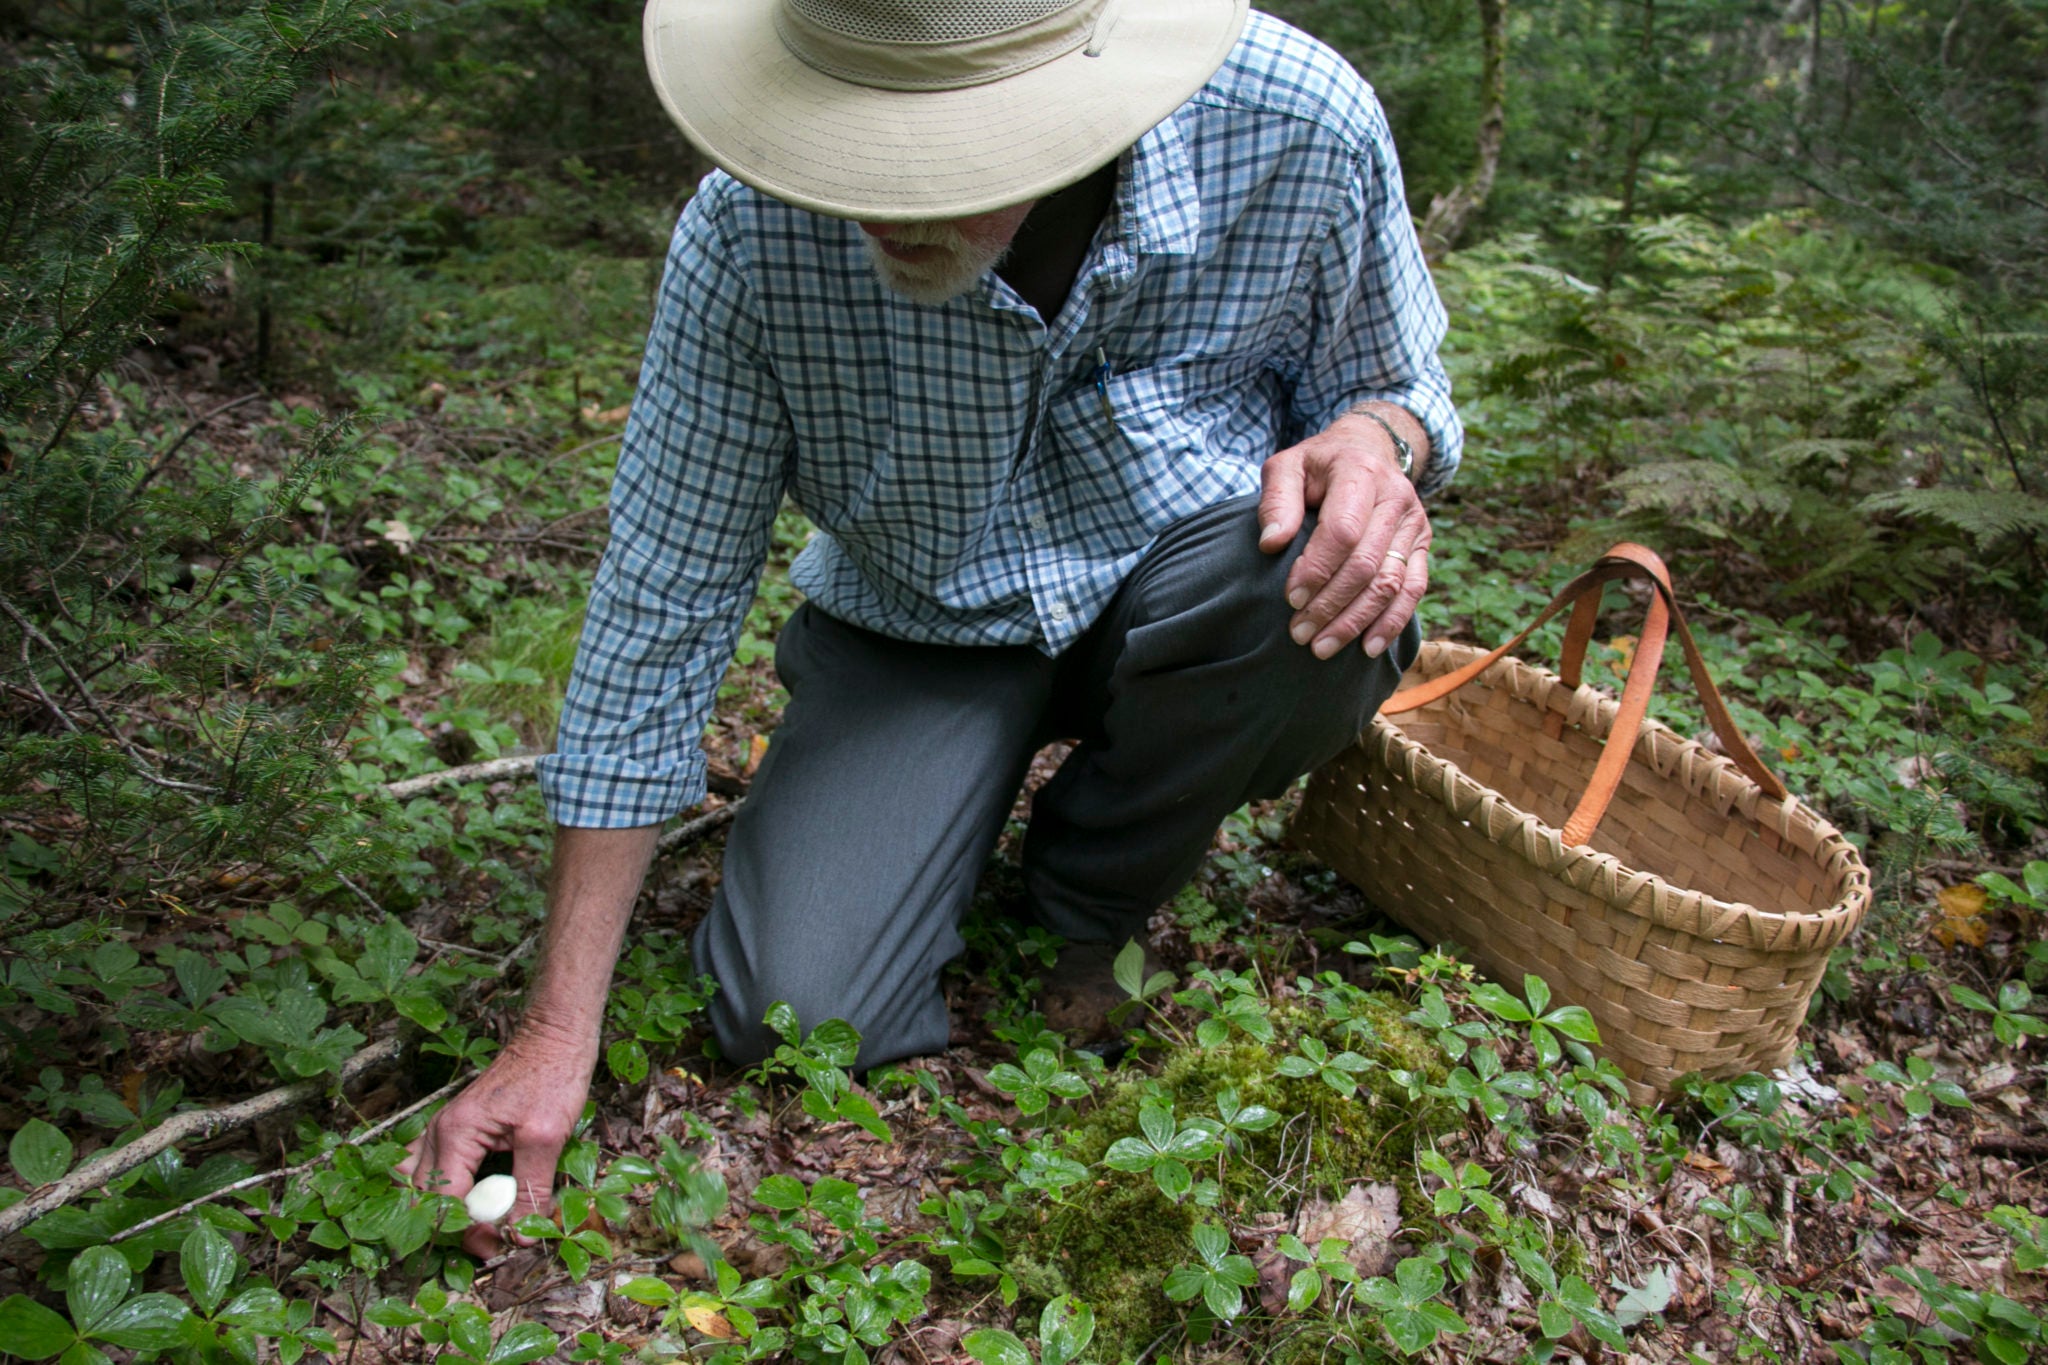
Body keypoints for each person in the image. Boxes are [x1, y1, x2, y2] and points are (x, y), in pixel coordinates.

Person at [403, 0, 1461, 1253]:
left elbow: (1394, 386)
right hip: (917, 618)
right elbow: (659, 602)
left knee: (1304, 579)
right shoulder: (746, 231)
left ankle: (1088, 902)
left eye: (955, 155)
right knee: (797, 1012)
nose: (891, 202)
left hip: (1191, 581)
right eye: (856, 142)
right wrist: (553, 1030)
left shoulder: (1291, 122)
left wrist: (1374, 442)